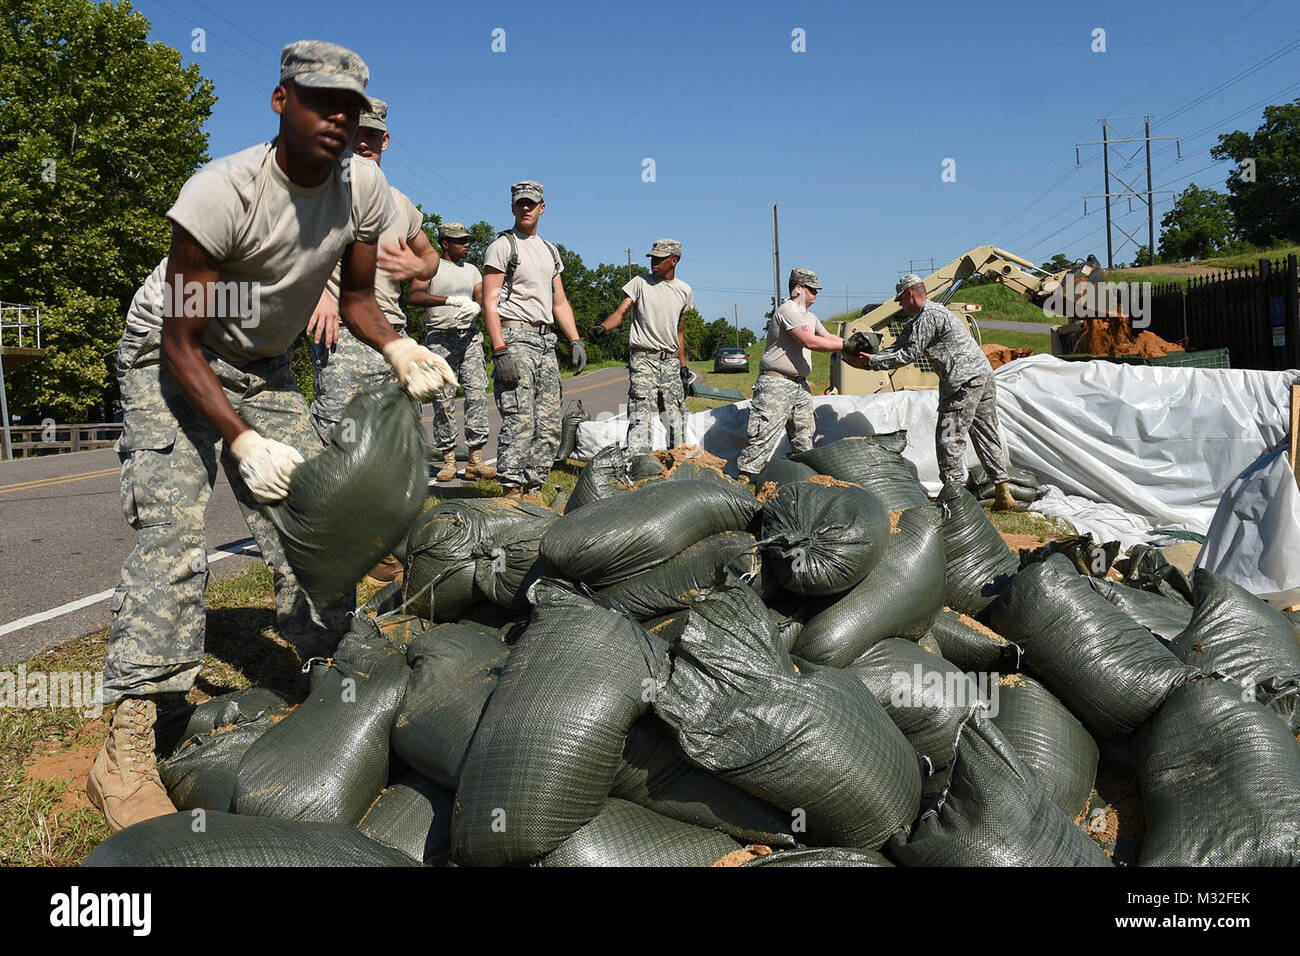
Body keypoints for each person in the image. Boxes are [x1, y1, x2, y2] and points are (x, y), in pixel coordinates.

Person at [88, 41, 455, 833]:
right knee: (174, 535)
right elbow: (184, 342)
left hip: (262, 359)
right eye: (321, 101)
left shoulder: (364, 188)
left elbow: (358, 295)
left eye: (350, 108)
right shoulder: (222, 192)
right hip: (169, 355)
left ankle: (327, 667)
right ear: (282, 101)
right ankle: (126, 738)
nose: (338, 118)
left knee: (317, 517)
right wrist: (240, 441)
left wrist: (397, 345)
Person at [307, 96, 441, 444]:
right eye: (355, 133)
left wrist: (419, 265)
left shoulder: (399, 202)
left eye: (371, 134)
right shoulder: (323, 190)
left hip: (393, 332)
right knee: (338, 435)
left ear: (385, 140)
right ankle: (322, 497)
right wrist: (317, 293)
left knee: (392, 439)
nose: (363, 142)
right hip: (342, 333)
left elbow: (430, 257)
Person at [852, 273, 1016, 509]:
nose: (899, 304)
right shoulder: (932, 315)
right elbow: (899, 346)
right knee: (986, 433)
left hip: (962, 384)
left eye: (900, 299)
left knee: (949, 438)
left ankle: (955, 499)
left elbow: (907, 354)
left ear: (910, 294)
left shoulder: (927, 317)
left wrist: (870, 363)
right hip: (983, 377)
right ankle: (1003, 492)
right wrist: (875, 356)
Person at [481, 181, 586, 496]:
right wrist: (499, 350)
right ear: (512, 207)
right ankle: (512, 490)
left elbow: (560, 302)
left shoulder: (550, 251)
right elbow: (489, 301)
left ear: (542, 208)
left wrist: (575, 340)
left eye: (532, 203)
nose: (525, 208)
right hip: (515, 337)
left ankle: (534, 486)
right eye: (520, 203)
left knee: (550, 425)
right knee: (520, 421)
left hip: (546, 343)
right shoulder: (503, 246)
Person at [736, 267, 847, 482]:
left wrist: (851, 344)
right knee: (762, 434)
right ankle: (745, 479)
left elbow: (828, 338)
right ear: (798, 288)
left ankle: (802, 478)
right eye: (812, 290)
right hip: (776, 383)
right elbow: (810, 342)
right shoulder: (788, 311)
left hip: (800, 386)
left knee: (804, 434)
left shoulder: (810, 317)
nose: (816, 295)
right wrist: (845, 344)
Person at [408, 222, 496, 482]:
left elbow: (481, 295)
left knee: (477, 395)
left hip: (468, 338)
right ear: (445, 243)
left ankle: (475, 460)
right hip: (440, 339)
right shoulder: (430, 266)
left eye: (467, 240)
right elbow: (414, 296)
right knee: (443, 400)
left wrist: (477, 306)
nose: (466, 244)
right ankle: (448, 459)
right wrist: (449, 300)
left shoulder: (472, 271)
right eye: (460, 241)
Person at [588, 238, 692, 454]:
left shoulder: (684, 291)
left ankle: (678, 465)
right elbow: (620, 314)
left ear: (674, 260)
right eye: (652, 258)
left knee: (676, 420)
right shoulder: (639, 283)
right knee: (640, 417)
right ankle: (638, 465)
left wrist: (683, 367)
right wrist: (602, 328)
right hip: (643, 360)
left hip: (671, 363)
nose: (654, 262)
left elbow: (679, 331)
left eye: (660, 259)